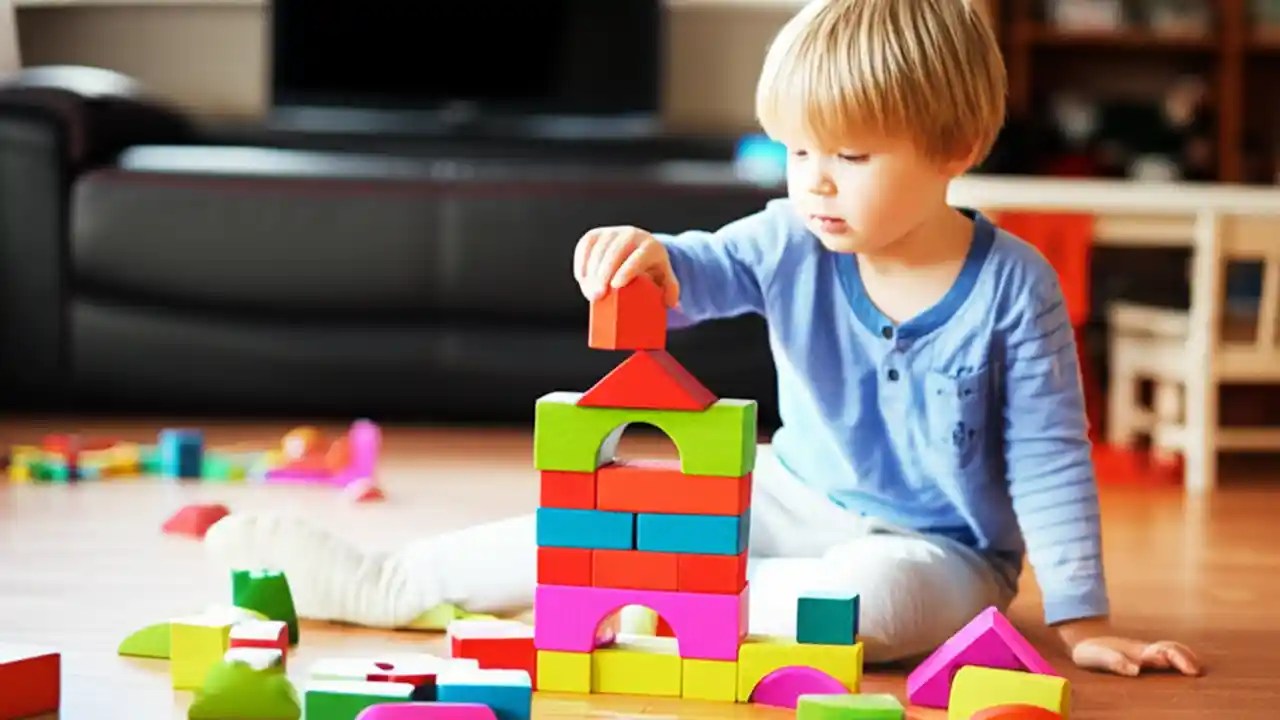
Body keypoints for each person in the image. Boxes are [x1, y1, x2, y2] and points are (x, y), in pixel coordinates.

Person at [206, 0, 1201, 677]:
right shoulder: (789, 235)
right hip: (788, 497)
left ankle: (661, 595)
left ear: (956, 149)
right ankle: (396, 580)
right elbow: (696, 271)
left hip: (938, 552)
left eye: (848, 155)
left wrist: (1081, 621)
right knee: (612, 509)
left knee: (873, 607)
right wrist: (643, 256)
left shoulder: (1011, 287)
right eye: (795, 150)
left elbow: (1049, 459)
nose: (811, 180)